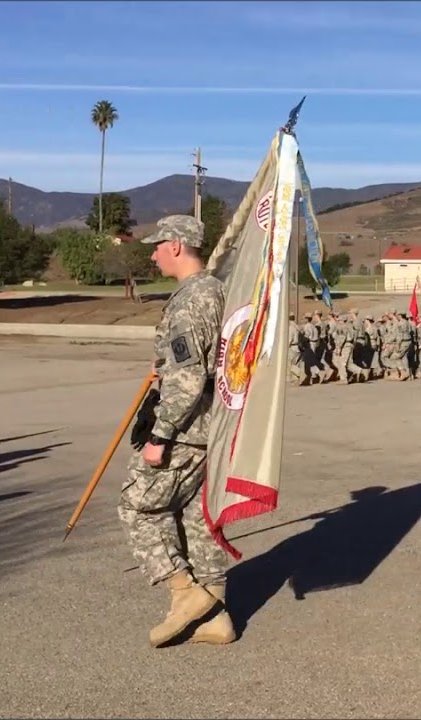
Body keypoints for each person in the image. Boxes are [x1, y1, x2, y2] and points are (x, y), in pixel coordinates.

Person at [118, 215, 235, 648]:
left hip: (185, 429)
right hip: (214, 427)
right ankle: (217, 616)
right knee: (196, 517)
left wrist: (160, 436)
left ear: (176, 246)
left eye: (157, 245)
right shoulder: (218, 291)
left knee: (137, 506)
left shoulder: (191, 300)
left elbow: (188, 378)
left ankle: (183, 592)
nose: (152, 254)